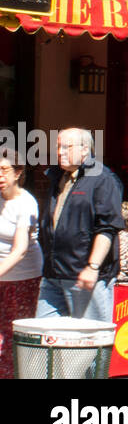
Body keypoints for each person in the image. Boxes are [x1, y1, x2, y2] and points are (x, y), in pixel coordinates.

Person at [37, 128, 123, 322]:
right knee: (44, 337)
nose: (60, 152)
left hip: (84, 277)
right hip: (53, 274)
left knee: (89, 341)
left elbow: (107, 227)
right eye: (58, 147)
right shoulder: (57, 176)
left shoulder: (102, 179)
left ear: (85, 150)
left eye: (67, 147)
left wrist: (93, 267)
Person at [0, 148, 43, 378]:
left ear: (17, 173)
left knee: (13, 333)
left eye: (4, 170)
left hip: (21, 278)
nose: (0, 176)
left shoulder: (26, 203)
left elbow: (20, 250)